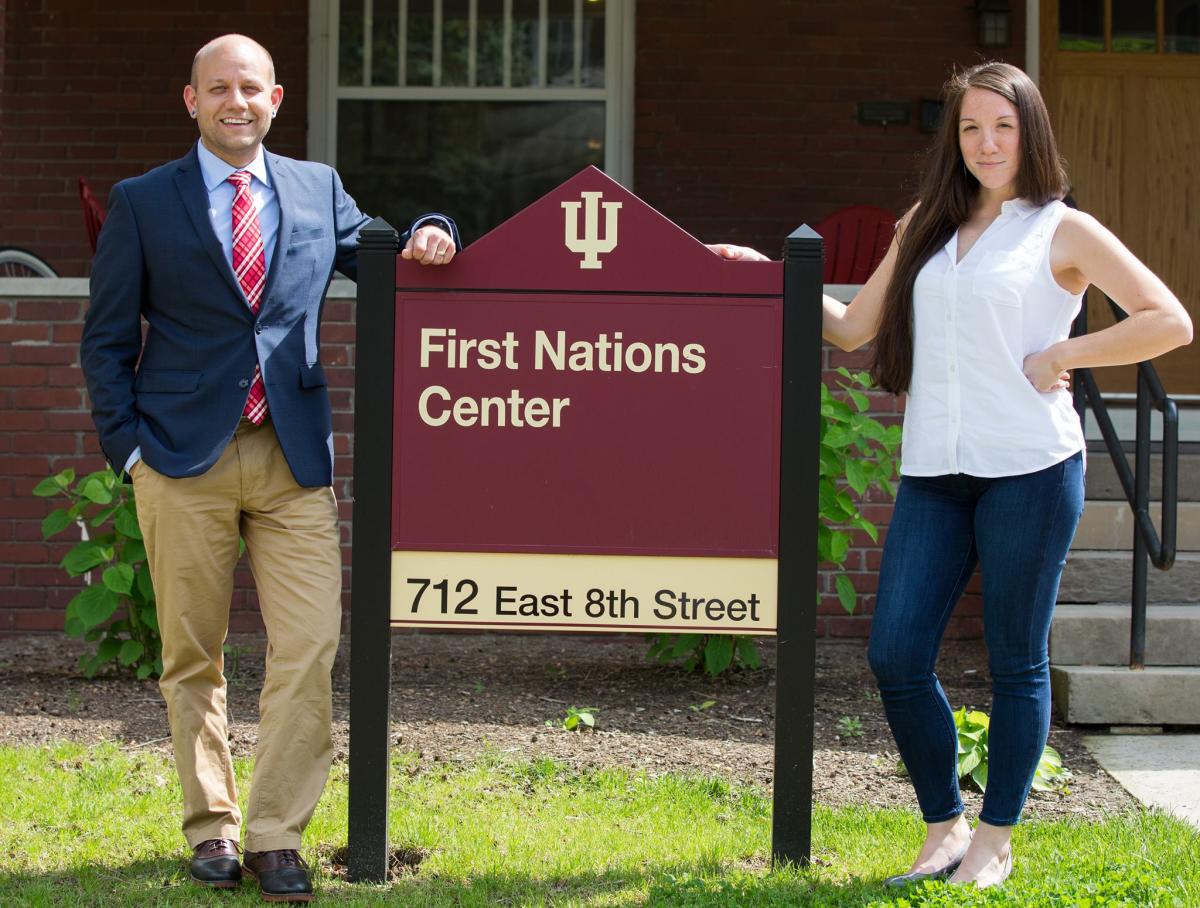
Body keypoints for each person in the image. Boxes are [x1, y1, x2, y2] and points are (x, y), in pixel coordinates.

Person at [709, 62, 1192, 889]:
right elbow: (856, 328)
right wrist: (767, 273)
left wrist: (1066, 353)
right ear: (955, 138)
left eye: (1002, 126)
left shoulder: (1061, 230)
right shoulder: (924, 225)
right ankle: (945, 828)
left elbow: (1168, 319)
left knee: (1015, 661)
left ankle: (997, 840)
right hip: (934, 468)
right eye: (971, 127)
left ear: (1029, 132)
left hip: (1031, 470)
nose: (986, 142)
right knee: (896, 651)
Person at [80, 34, 458, 902]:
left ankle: (276, 833)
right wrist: (129, 449)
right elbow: (104, 340)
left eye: (249, 88)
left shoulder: (316, 187)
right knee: (192, 655)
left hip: (293, 456)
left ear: (276, 98)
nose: (235, 102)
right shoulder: (144, 202)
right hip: (180, 459)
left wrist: (433, 232)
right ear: (191, 101)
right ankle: (210, 830)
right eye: (218, 89)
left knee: (309, 646)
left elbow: (383, 255)